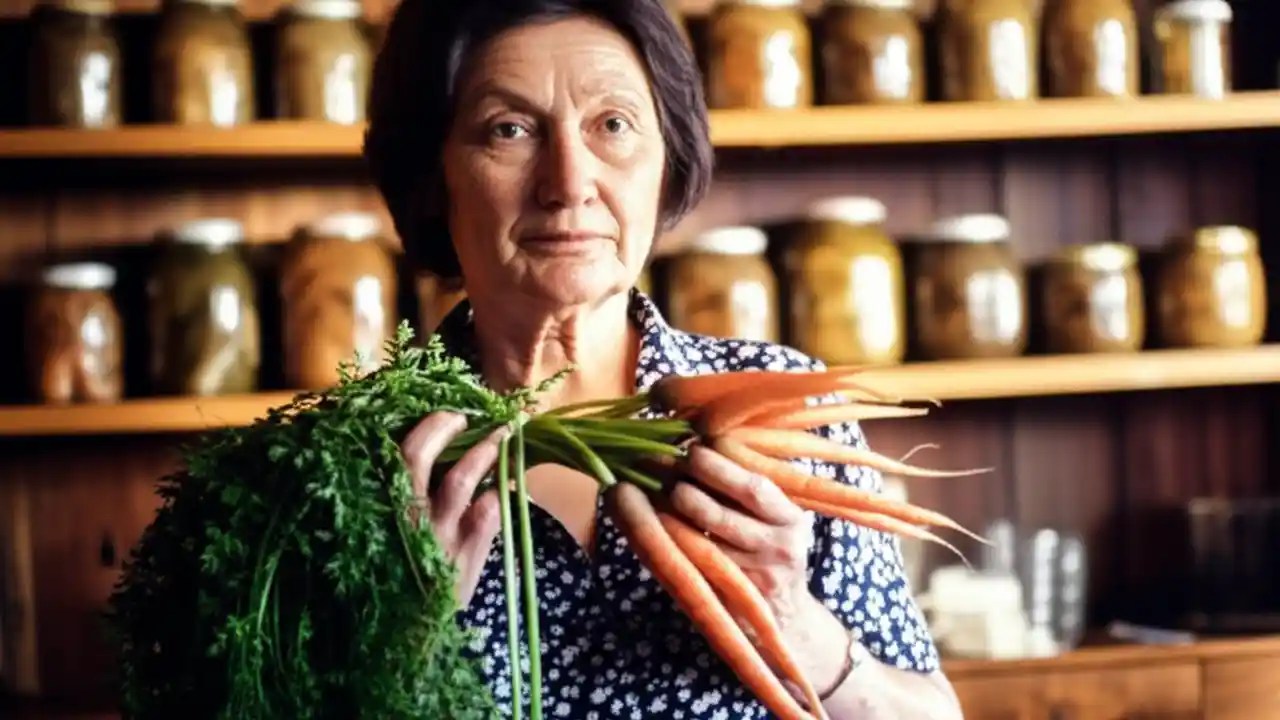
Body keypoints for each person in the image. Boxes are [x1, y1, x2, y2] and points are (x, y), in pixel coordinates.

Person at [363, 1, 962, 717]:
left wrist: (792, 619)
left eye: (612, 125)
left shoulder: (788, 415)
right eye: (510, 130)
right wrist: (398, 649)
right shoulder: (352, 463)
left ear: (666, 160)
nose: (569, 182)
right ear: (432, 180)